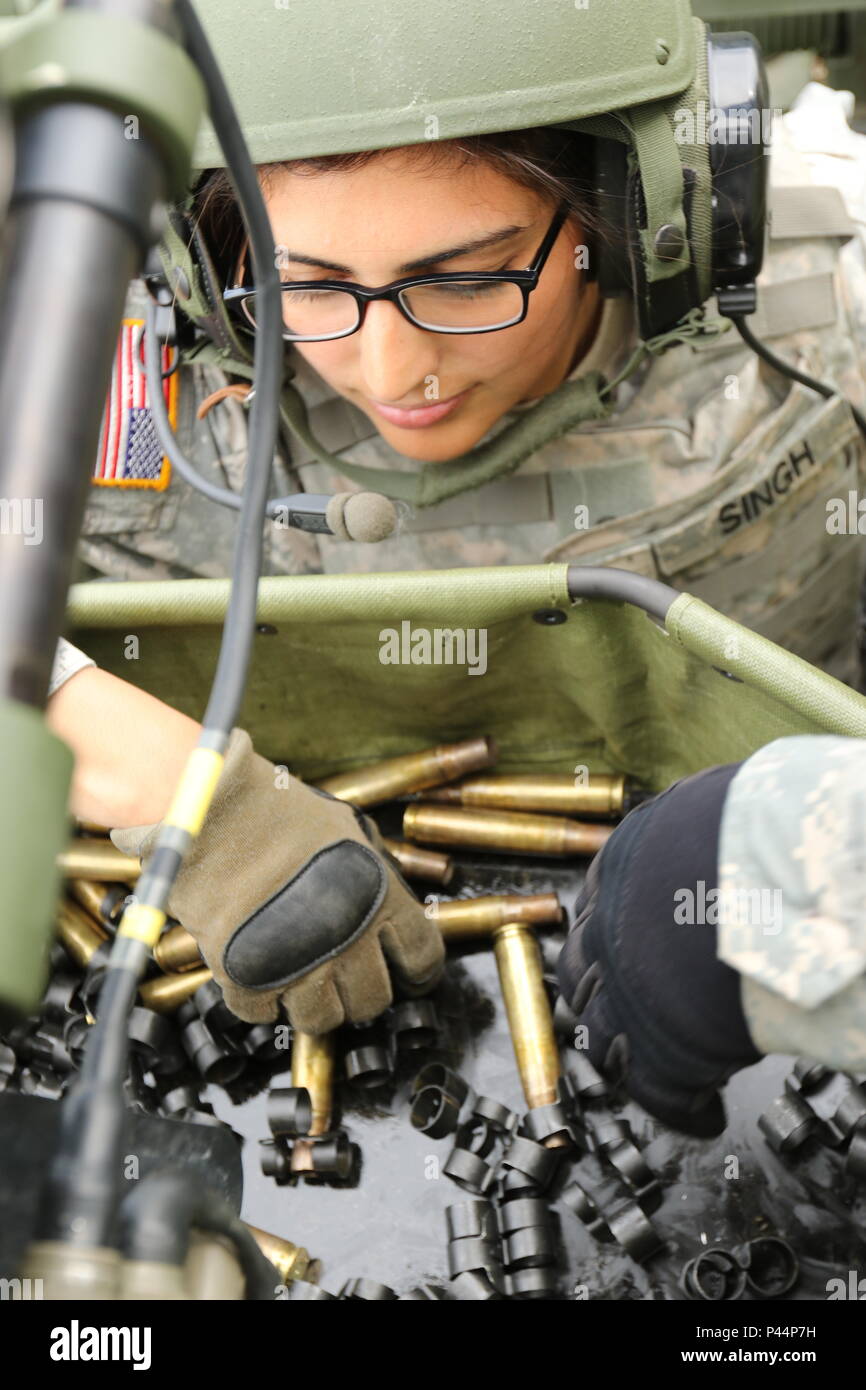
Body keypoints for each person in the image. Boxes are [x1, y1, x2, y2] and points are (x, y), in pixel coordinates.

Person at [46, 2, 866, 1058]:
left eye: (468, 277)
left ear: (645, 204)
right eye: (304, 283)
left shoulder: (829, 276)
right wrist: (184, 792)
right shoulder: (70, 332)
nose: (391, 373)